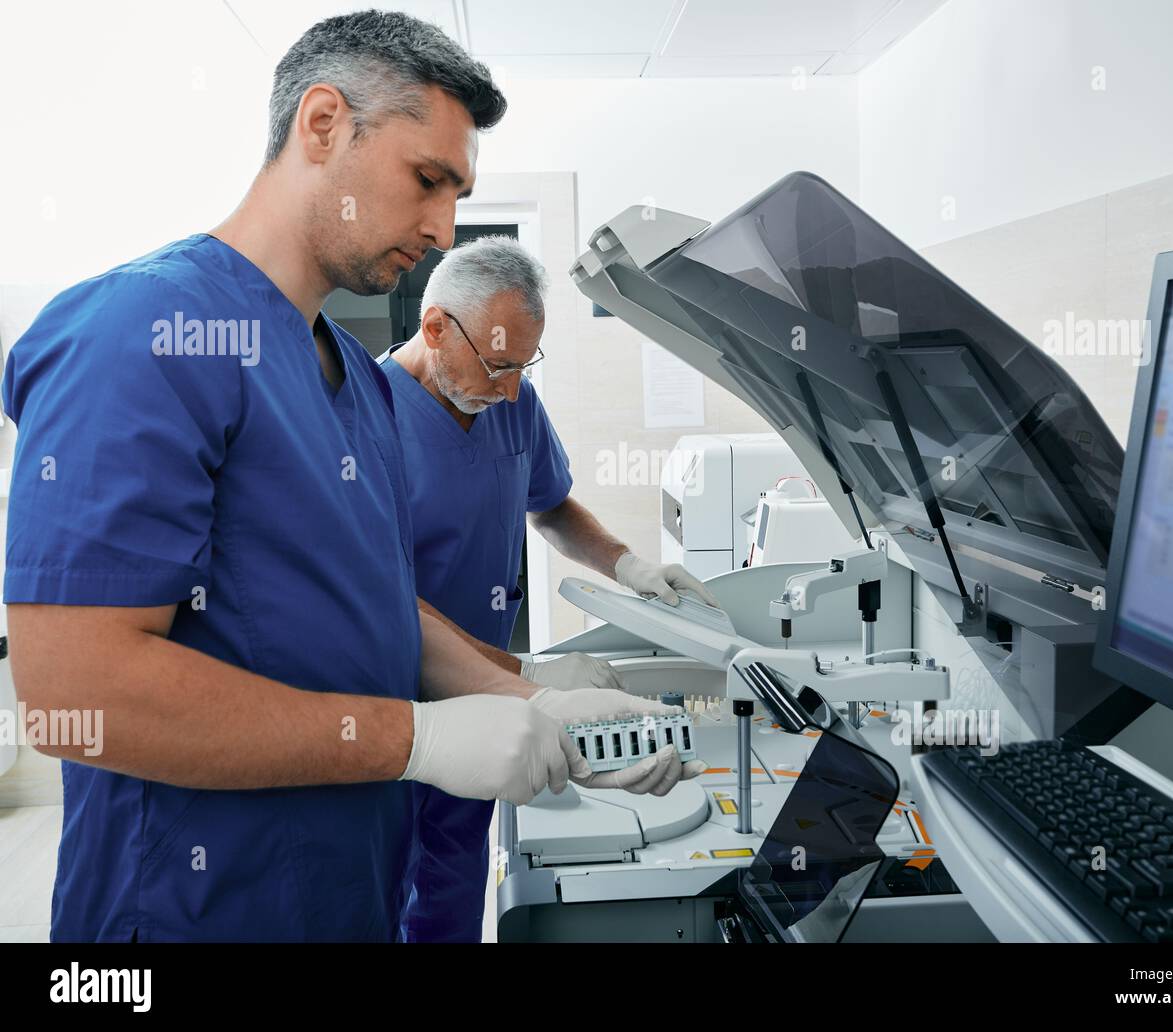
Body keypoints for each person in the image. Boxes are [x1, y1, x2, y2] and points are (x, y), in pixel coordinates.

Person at [1, 10, 690, 943]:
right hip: (191, 915)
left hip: (343, 890)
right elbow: (72, 695)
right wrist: (420, 740)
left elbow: (369, 606)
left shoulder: (355, 384)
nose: (445, 229)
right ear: (322, 124)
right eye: (427, 180)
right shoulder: (146, 334)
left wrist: (537, 706)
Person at [380, 236, 719, 941]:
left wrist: (631, 566)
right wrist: (530, 674)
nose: (510, 390)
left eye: (523, 367)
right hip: (398, 706)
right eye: (499, 366)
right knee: (383, 890)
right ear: (436, 327)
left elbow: (551, 504)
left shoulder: (514, 403)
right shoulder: (366, 422)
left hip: (492, 700)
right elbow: (388, 605)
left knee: (452, 886)